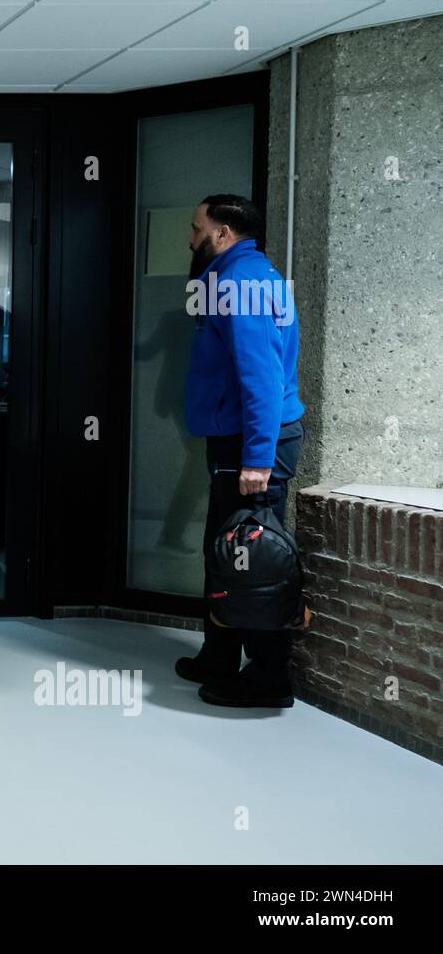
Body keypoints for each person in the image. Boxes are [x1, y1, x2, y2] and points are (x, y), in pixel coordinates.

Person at [175, 194, 305, 708]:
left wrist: (256, 458)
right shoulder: (235, 277)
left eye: (195, 227)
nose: (190, 237)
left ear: (222, 232)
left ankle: (270, 680)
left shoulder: (242, 283)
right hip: (238, 440)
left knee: (254, 564)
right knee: (225, 555)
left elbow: (262, 379)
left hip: (253, 445)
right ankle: (219, 656)